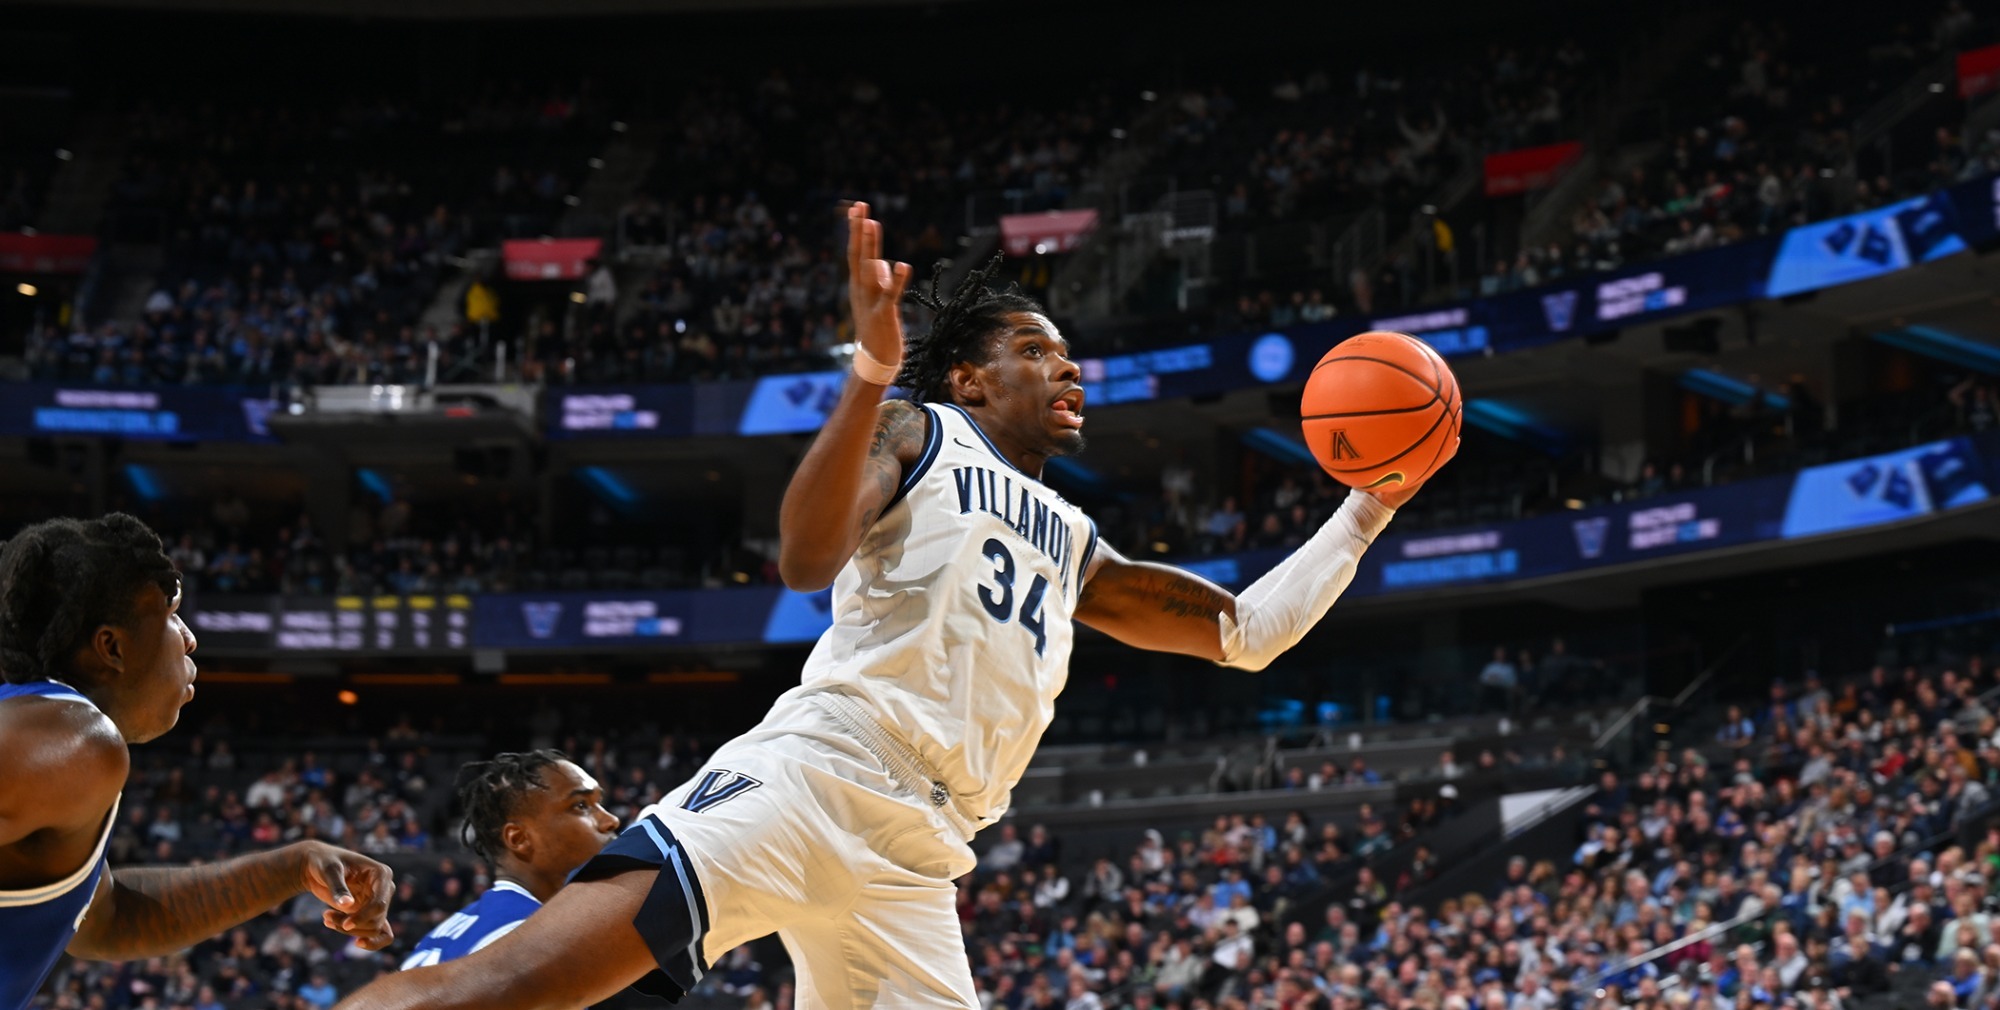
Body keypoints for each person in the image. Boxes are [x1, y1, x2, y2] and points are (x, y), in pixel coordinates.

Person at [334, 202, 1452, 1010]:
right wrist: (872, 375)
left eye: (1071, 361)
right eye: (1034, 350)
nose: (1068, 374)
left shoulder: (1075, 543)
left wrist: (1363, 508)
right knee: (515, 985)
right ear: (966, 377)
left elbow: (1244, 634)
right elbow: (803, 556)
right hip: (814, 775)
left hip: (920, 852)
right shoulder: (921, 431)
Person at [0, 515, 395, 1010]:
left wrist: (295, 866)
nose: (188, 639)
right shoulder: (77, 737)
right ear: (112, 647)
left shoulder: (49, 736)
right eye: (170, 615)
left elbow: (109, 919)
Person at [400, 750, 619, 968]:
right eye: (581, 806)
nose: (611, 820)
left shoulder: (446, 933)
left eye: (599, 802)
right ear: (519, 838)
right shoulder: (525, 942)